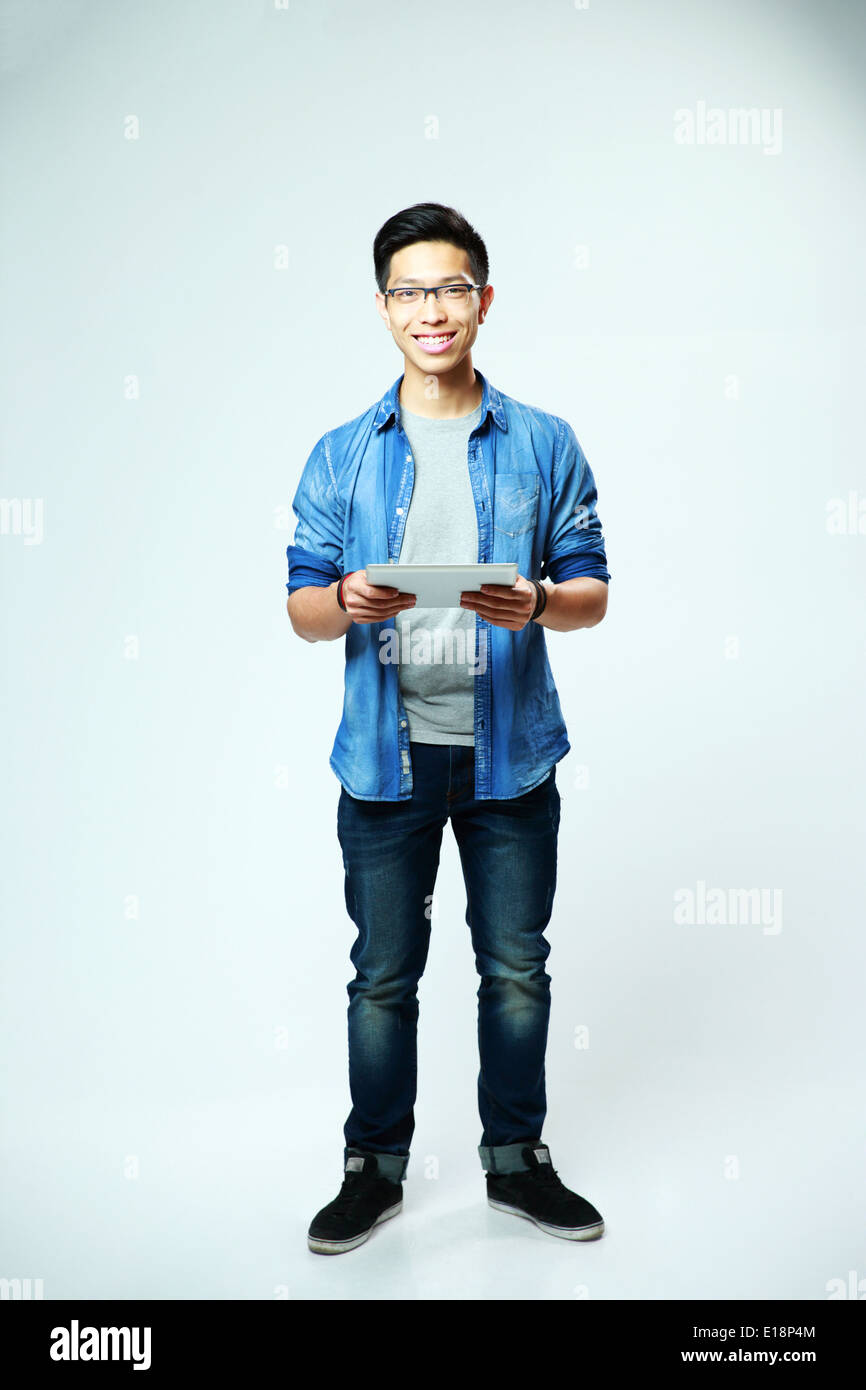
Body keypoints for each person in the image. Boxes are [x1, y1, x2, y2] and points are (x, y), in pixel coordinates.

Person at [286, 202, 611, 1256]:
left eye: (450, 287)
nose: (432, 309)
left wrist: (540, 604)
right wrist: (345, 599)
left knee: (514, 966)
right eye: (409, 290)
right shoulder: (341, 453)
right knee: (382, 972)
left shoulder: (543, 441)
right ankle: (371, 1171)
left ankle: (515, 1162)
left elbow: (592, 589)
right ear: (384, 307)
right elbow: (298, 610)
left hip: (509, 753)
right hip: (384, 759)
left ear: (482, 300)